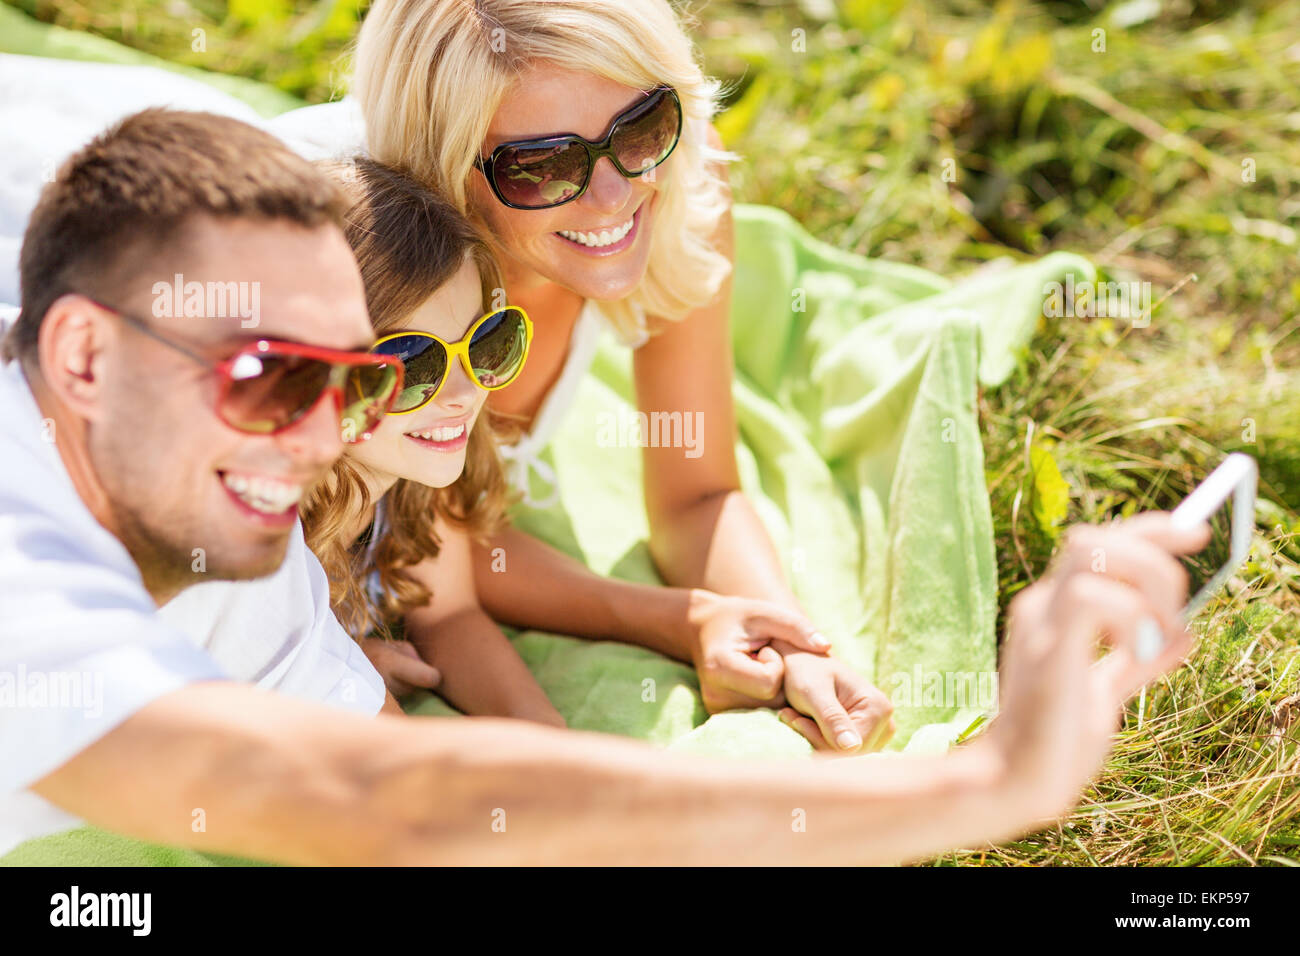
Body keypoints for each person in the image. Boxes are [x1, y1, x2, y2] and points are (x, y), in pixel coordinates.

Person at [1, 106, 1211, 866]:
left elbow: (453, 789)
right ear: (83, 359)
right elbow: (394, 802)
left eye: (354, 377)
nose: (328, 431)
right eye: (271, 377)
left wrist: (692, 621)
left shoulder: (266, 564)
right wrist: (984, 783)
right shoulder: (31, 572)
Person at [304, 157, 867, 738]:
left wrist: (548, 734)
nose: (464, 393)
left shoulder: (407, 480)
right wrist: (345, 664)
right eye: (410, 366)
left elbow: (449, 616)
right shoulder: (274, 535)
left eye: (486, 342)